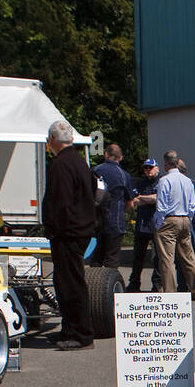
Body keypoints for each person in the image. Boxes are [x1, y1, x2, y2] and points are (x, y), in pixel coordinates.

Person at [42, 120, 96, 351]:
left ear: (52, 140)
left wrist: (54, 228)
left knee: (70, 284)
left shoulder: (61, 164)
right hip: (79, 229)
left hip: (68, 232)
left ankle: (81, 334)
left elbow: (61, 202)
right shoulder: (80, 161)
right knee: (67, 282)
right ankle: (69, 329)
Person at [152, 150, 195, 297]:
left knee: (167, 259)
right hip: (185, 219)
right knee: (188, 257)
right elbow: (193, 205)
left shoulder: (164, 180)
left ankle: (170, 293)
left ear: (166, 163)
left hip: (169, 219)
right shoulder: (188, 181)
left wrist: (158, 223)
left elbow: (161, 206)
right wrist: (189, 219)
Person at [91, 144, 135, 269]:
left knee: (96, 257)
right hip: (116, 222)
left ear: (106, 155)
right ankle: (110, 286)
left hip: (96, 222)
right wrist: (123, 213)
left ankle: (93, 285)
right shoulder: (124, 175)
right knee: (112, 259)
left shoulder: (96, 170)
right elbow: (130, 204)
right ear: (120, 158)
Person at [127, 158, 162, 292]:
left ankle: (157, 284)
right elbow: (134, 200)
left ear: (157, 168)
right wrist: (148, 199)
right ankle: (134, 283)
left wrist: (143, 198)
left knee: (158, 257)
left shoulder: (161, 182)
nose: (148, 170)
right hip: (142, 224)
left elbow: (159, 199)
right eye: (146, 168)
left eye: (150, 168)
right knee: (138, 256)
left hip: (156, 224)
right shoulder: (141, 183)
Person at [176, 159, 195, 292]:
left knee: (180, 258)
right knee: (189, 258)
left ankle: (183, 287)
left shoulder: (174, 183)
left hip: (179, 223)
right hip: (189, 223)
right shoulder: (192, 184)